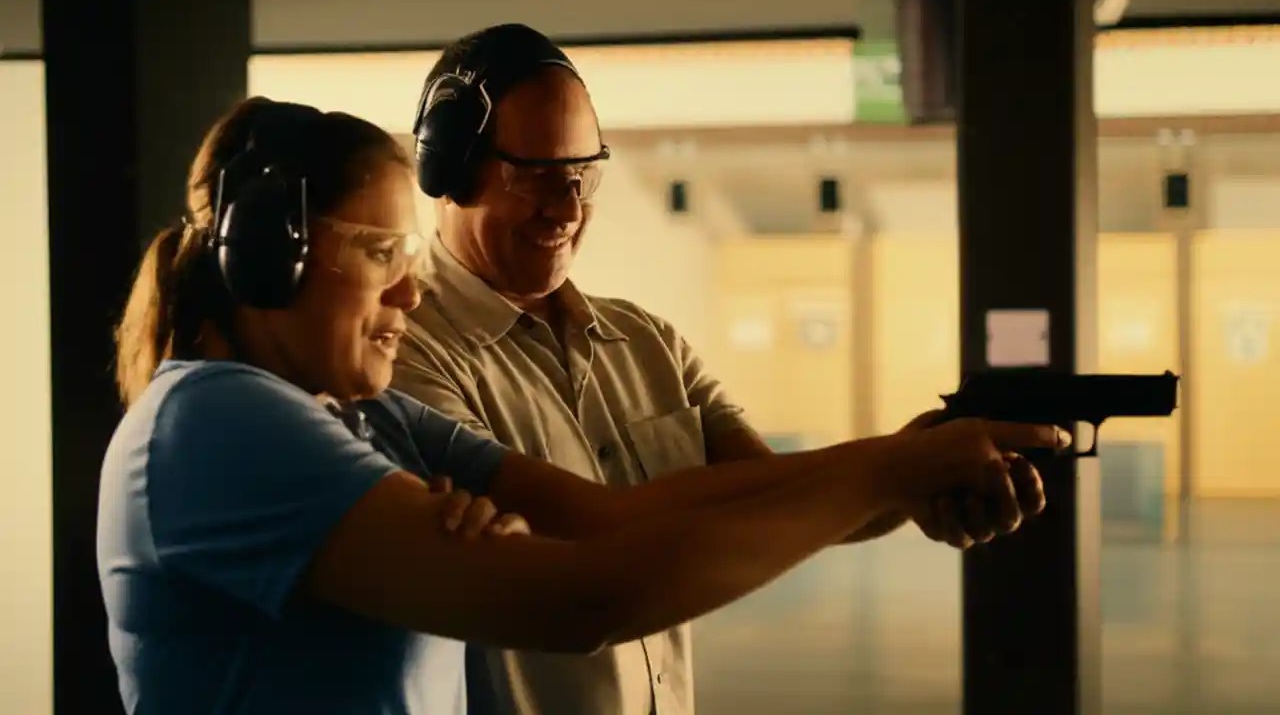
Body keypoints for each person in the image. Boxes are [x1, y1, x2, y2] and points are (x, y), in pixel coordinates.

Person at [98, 94, 1065, 715]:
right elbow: (580, 596)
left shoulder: (361, 415)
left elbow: (611, 517)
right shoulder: (216, 419)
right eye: (380, 254)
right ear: (273, 256)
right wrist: (886, 473)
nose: (410, 292)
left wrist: (903, 459)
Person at [394, 23, 1054, 715]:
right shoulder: (406, 354)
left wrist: (918, 461)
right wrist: (893, 469)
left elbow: (773, 491)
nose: (568, 208)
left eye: (583, 174)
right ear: (449, 167)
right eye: (534, 177)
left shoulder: (647, 343)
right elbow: (590, 538)